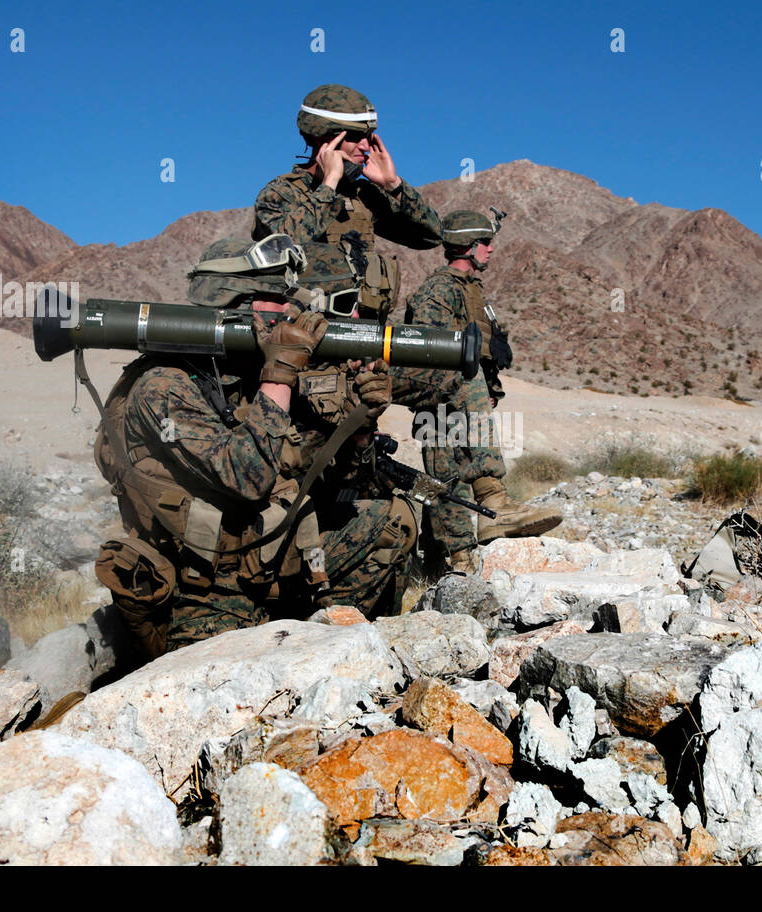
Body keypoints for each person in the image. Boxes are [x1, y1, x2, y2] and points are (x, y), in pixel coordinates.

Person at [92, 234, 414, 659]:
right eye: (271, 297)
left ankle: (344, 648)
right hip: (202, 591)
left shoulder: (246, 376)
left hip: (269, 561)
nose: (287, 309)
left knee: (392, 520)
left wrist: (357, 425)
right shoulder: (164, 384)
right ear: (231, 301)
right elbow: (245, 477)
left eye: (287, 296)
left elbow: (316, 476)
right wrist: (279, 376)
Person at [394, 210, 562, 574]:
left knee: (444, 479)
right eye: (485, 243)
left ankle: (449, 560)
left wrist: (489, 388)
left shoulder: (472, 291)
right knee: (444, 479)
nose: (491, 250)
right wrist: (461, 389)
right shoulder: (439, 289)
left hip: (460, 397)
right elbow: (426, 350)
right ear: (467, 247)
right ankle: (460, 556)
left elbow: (481, 346)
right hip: (439, 399)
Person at [253, 84, 442, 256]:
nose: (366, 146)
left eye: (368, 136)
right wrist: (329, 184)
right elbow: (279, 249)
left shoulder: (361, 195)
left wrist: (394, 186)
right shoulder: (280, 193)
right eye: (355, 136)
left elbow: (430, 237)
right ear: (322, 137)